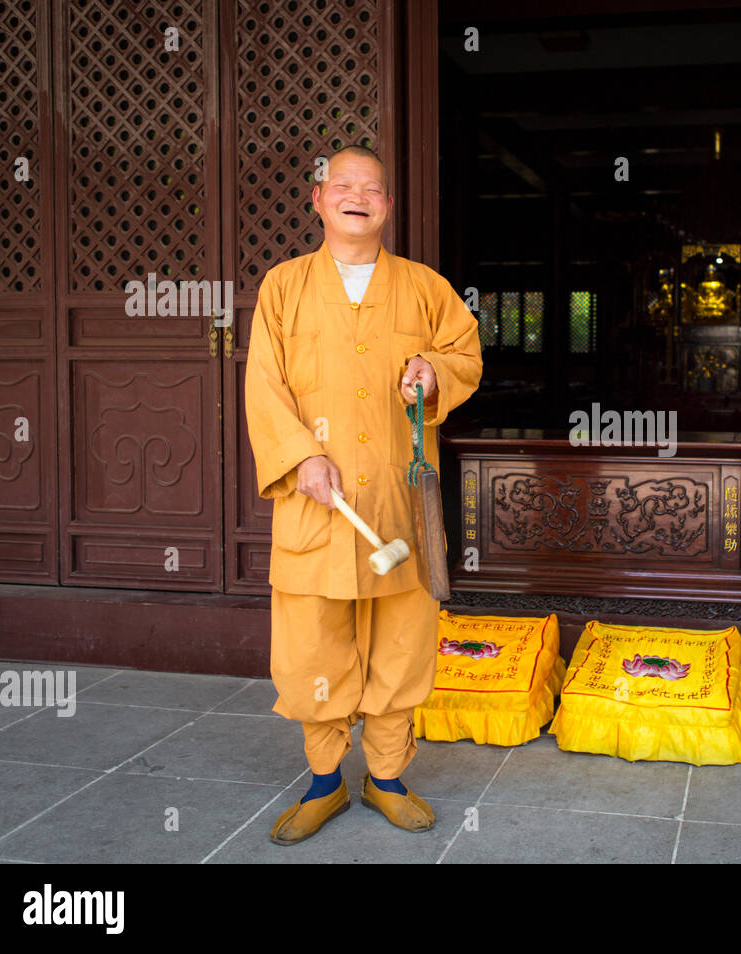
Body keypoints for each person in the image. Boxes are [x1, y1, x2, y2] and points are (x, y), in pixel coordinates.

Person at [244, 145, 481, 845]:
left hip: (397, 510)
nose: (357, 196)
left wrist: (432, 372)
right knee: (314, 647)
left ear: (387, 205)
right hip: (317, 502)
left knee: (402, 647)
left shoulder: (424, 287)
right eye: (341, 185)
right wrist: (302, 456)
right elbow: (264, 384)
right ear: (317, 200)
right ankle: (324, 783)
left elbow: (464, 353)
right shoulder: (282, 287)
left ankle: (386, 779)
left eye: (371, 188)